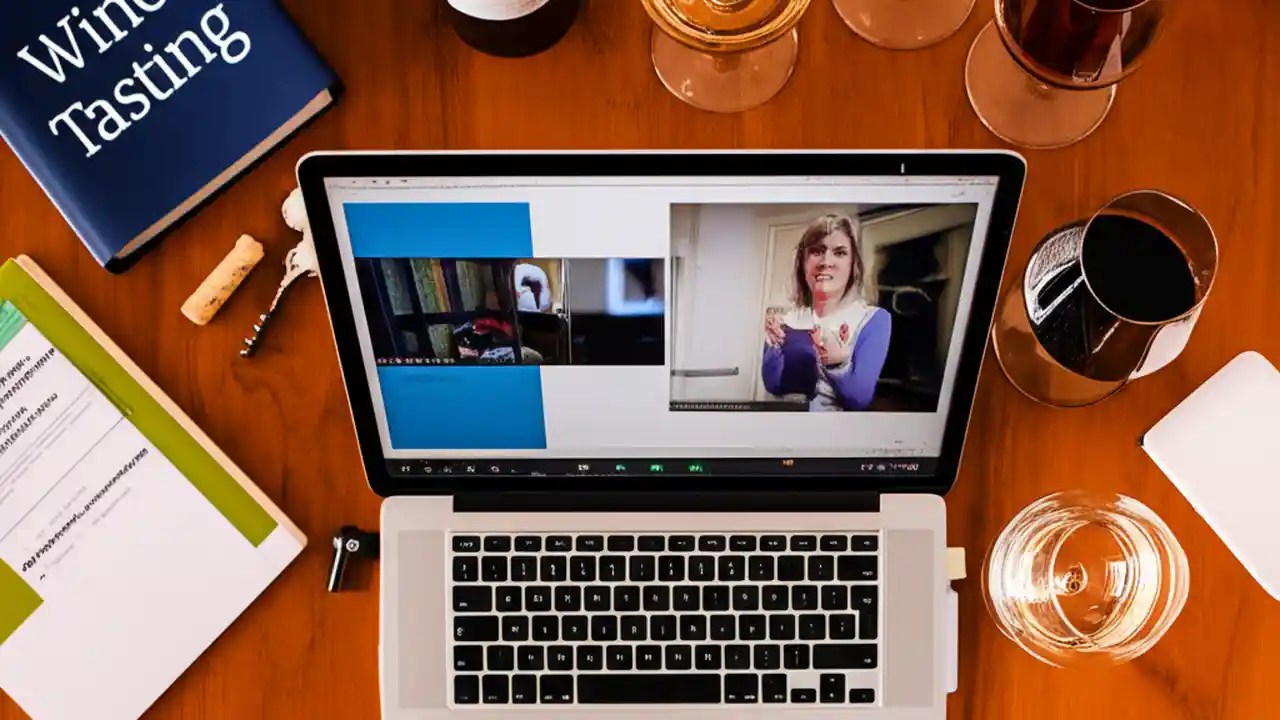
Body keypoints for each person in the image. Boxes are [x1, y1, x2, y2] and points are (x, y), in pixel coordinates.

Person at [761, 213, 892, 411]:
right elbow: (773, 386)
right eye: (816, 251)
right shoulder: (788, 320)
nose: (825, 261)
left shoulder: (873, 320)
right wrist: (774, 347)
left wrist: (836, 364)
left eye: (839, 253)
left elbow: (859, 401)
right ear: (803, 263)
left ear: (853, 264)